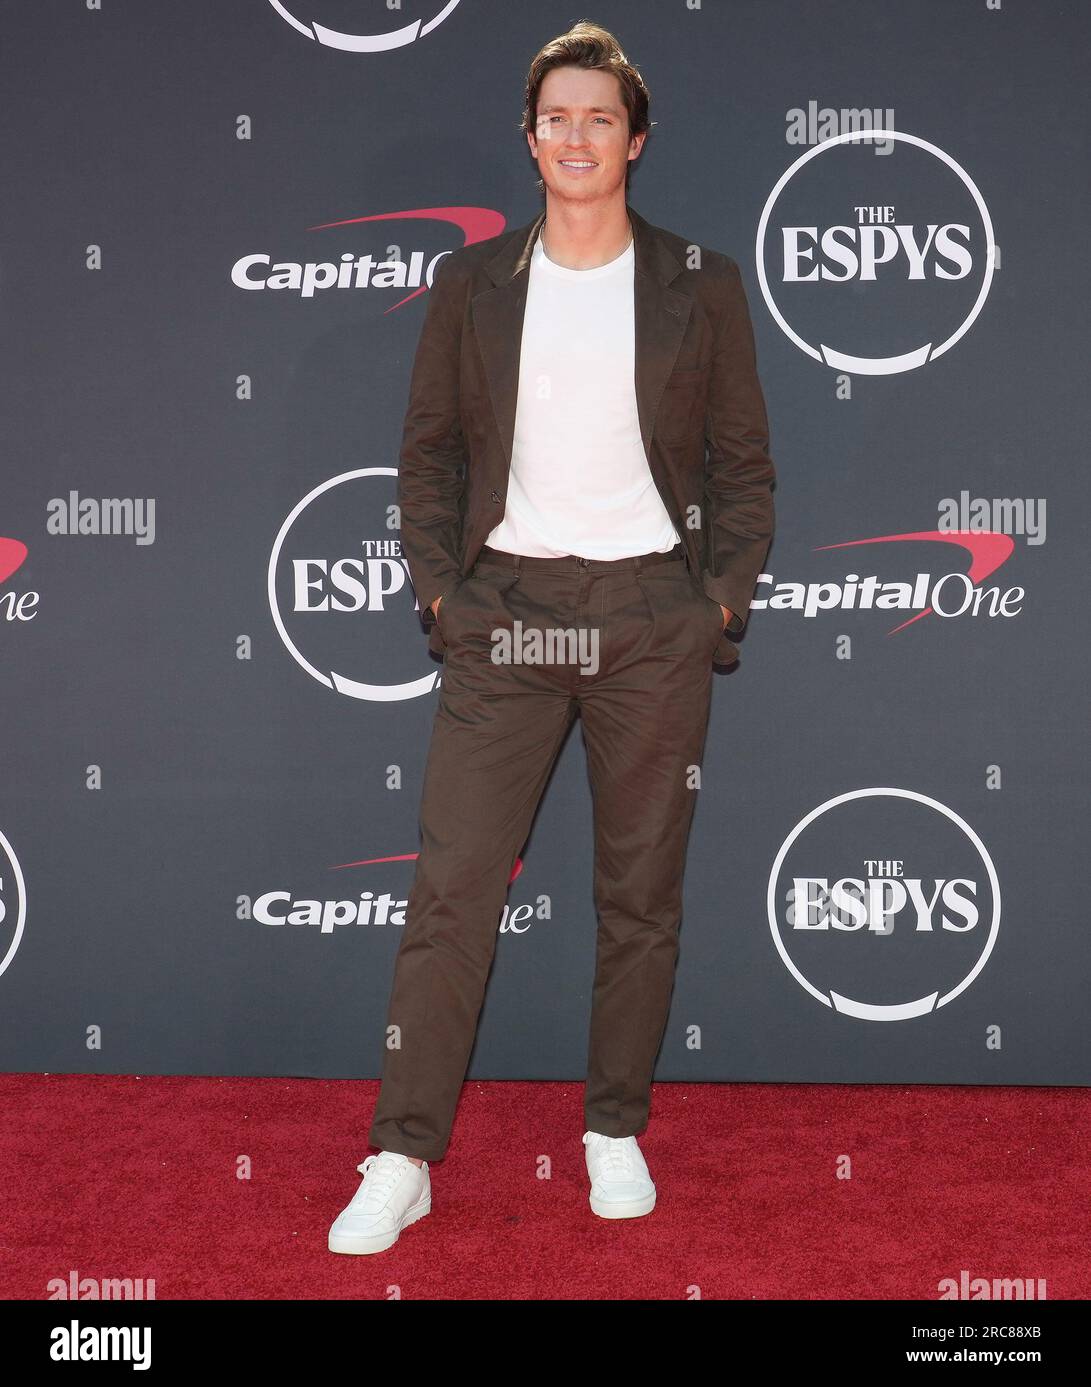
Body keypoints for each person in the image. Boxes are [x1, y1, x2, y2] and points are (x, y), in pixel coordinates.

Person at [329, 20, 775, 1255]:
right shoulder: (473, 283)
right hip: (505, 619)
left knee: (637, 896)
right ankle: (403, 1153)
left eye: (598, 118)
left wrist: (716, 603)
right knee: (451, 895)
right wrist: (439, 596)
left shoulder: (702, 281)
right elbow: (426, 457)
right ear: (529, 141)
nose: (575, 137)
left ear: (634, 139)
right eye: (554, 118)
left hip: (650, 620)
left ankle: (613, 1128)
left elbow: (742, 470)